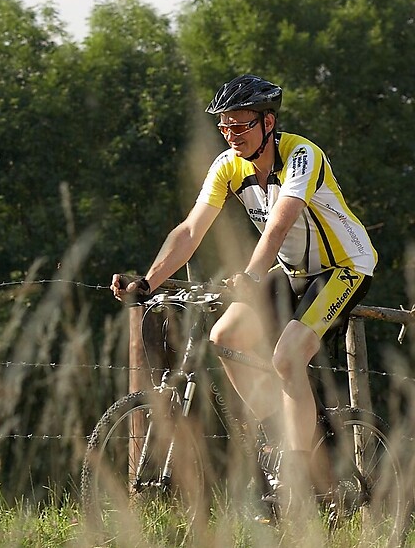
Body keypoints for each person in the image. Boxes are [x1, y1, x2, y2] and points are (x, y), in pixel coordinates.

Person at [110, 74, 376, 511]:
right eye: (224, 126)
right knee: (223, 337)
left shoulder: (301, 155)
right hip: (292, 270)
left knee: (287, 356)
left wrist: (251, 275)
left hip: (344, 268)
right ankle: (280, 429)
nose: (231, 135)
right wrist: (148, 282)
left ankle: (294, 474)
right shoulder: (227, 166)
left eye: (240, 125)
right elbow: (192, 229)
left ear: (268, 122)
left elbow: (280, 223)